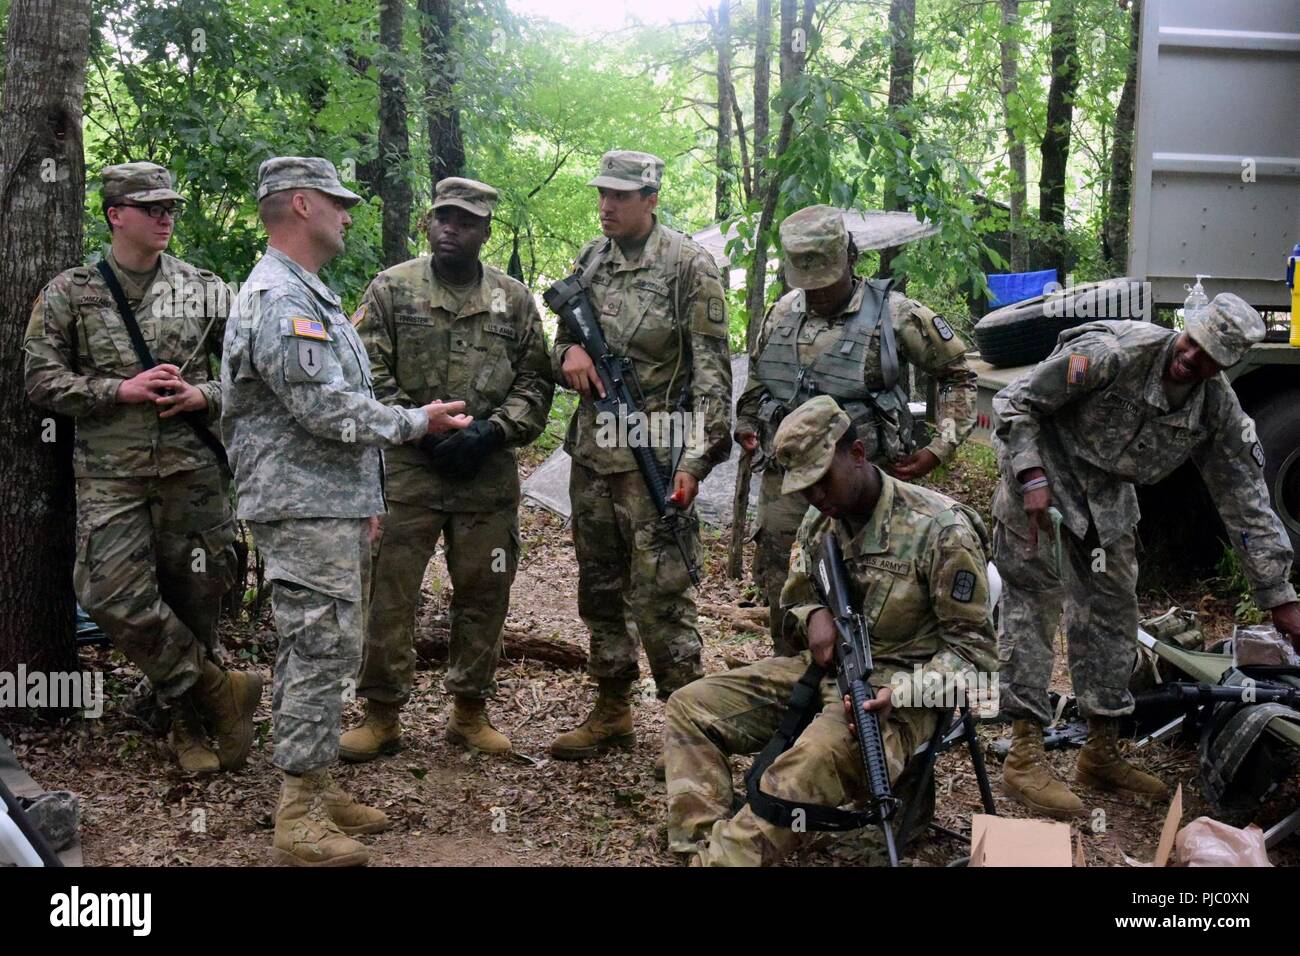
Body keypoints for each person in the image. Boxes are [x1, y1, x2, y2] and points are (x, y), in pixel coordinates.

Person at [222, 156, 471, 866]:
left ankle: (317, 786)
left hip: (323, 503)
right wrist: (415, 421)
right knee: (315, 649)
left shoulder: (308, 293)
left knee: (329, 645)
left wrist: (362, 499)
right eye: (337, 202)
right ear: (301, 205)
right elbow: (322, 409)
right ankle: (297, 816)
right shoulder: (281, 298)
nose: (347, 213)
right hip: (301, 508)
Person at [993, 294, 1300, 819]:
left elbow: (1246, 500)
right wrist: (1030, 474)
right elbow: (1016, 402)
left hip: (1108, 502)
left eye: (1210, 358)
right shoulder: (1112, 353)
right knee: (1033, 610)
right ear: (1186, 328)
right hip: (1042, 488)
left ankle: (1100, 752)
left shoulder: (1215, 408)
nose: (1192, 360)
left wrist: (1279, 595)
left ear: (1226, 364)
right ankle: (1024, 756)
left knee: (1112, 619)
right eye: (1191, 344)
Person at [664, 395, 996, 865]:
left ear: (857, 454)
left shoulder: (941, 531)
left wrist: (902, 694)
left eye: (822, 481)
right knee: (690, 707)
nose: (816, 497)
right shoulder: (820, 521)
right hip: (822, 674)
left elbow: (976, 655)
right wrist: (812, 615)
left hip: (899, 692)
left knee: (810, 761)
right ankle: (698, 846)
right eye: (805, 488)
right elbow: (798, 595)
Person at [24, 161, 259, 776]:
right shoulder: (70, 292)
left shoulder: (208, 290)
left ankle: (189, 726)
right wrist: (118, 391)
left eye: (171, 207)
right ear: (114, 215)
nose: (164, 217)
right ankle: (217, 689)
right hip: (111, 475)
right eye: (151, 207)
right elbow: (39, 379)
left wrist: (202, 396)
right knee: (110, 595)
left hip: (193, 473)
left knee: (196, 600)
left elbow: (252, 379)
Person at [341, 177, 553, 759]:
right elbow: (364, 369)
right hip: (409, 469)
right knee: (389, 594)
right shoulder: (393, 288)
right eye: (442, 218)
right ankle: (381, 715)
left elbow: (536, 379)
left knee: (484, 592)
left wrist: (496, 430)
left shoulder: (513, 298)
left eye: (464, 221)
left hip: (485, 475)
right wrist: (418, 424)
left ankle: (469, 711)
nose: (450, 228)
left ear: (486, 230)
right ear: (429, 223)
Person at [548, 149, 733, 760]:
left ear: (651, 198)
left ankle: (691, 735)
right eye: (603, 193)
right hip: (594, 454)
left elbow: (712, 378)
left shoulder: (690, 266)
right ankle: (612, 710)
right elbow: (560, 347)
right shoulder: (591, 261)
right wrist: (567, 356)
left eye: (621, 196)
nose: (607, 205)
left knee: (662, 600)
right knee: (600, 589)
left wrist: (694, 463)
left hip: (655, 457)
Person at [735, 205, 977, 655]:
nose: (817, 292)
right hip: (786, 486)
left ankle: (869, 699)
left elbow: (958, 374)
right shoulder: (782, 312)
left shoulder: (895, 314)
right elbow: (759, 376)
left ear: (850, 258)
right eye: (807, 281)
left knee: (869, 598)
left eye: (825, 279)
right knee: (785, 591)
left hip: (862, 488)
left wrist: (940, 446)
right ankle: (792, 689)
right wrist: (748, 422)